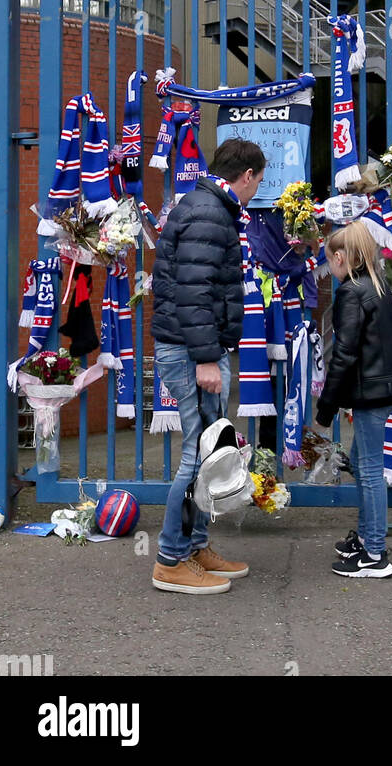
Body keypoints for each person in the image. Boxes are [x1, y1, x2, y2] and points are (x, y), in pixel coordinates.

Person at [150, 137, 265, 594]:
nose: (257, 188)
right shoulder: (211, 213)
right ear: (248, 175)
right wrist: (204, 358)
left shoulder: (205, 206)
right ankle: (169, 559)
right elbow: (194, 292)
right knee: (196, 455)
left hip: (194, 347)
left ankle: (195, 547)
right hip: (193, 351)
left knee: (208, 454)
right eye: (259, 179)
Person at [314, 221, 392, 579]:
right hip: (382, 389)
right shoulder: (379, 286)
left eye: (330, 260)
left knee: (368, 471)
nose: (330, 268)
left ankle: (374, 553)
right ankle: (368, 539)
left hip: (370, 393)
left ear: (340, 257)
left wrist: (326, 408)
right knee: (361, 462)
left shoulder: (351, 292)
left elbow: (345, 353)